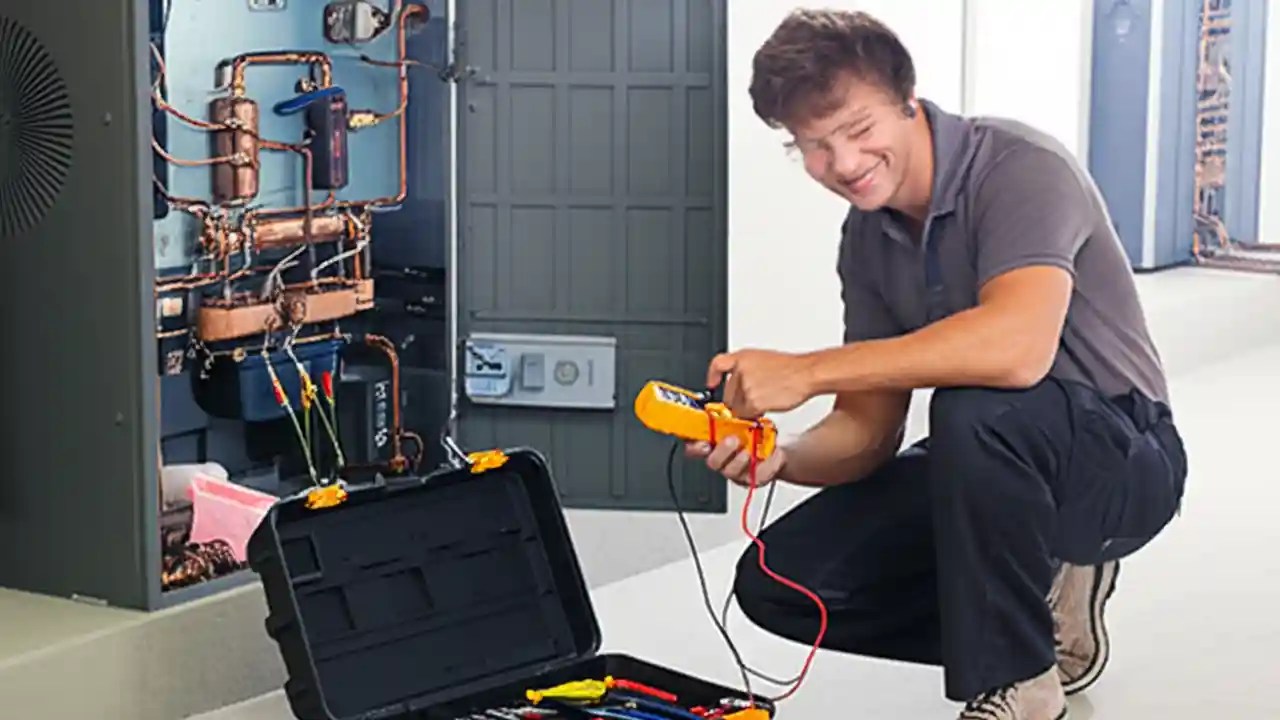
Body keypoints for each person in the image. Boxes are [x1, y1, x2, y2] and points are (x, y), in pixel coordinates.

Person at [686, 9, 1188, 720]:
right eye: (816, 147)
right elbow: (866, 431)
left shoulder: (1020, 167)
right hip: (989, 465)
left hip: (1124, 456)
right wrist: (781, 457)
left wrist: (809, 369)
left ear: (907, 103)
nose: (846, 164)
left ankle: (1021, 687)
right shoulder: (867, 240)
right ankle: (1038, 630)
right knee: (778, 580)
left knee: (972, 406)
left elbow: (1016, 352)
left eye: (860, 131)